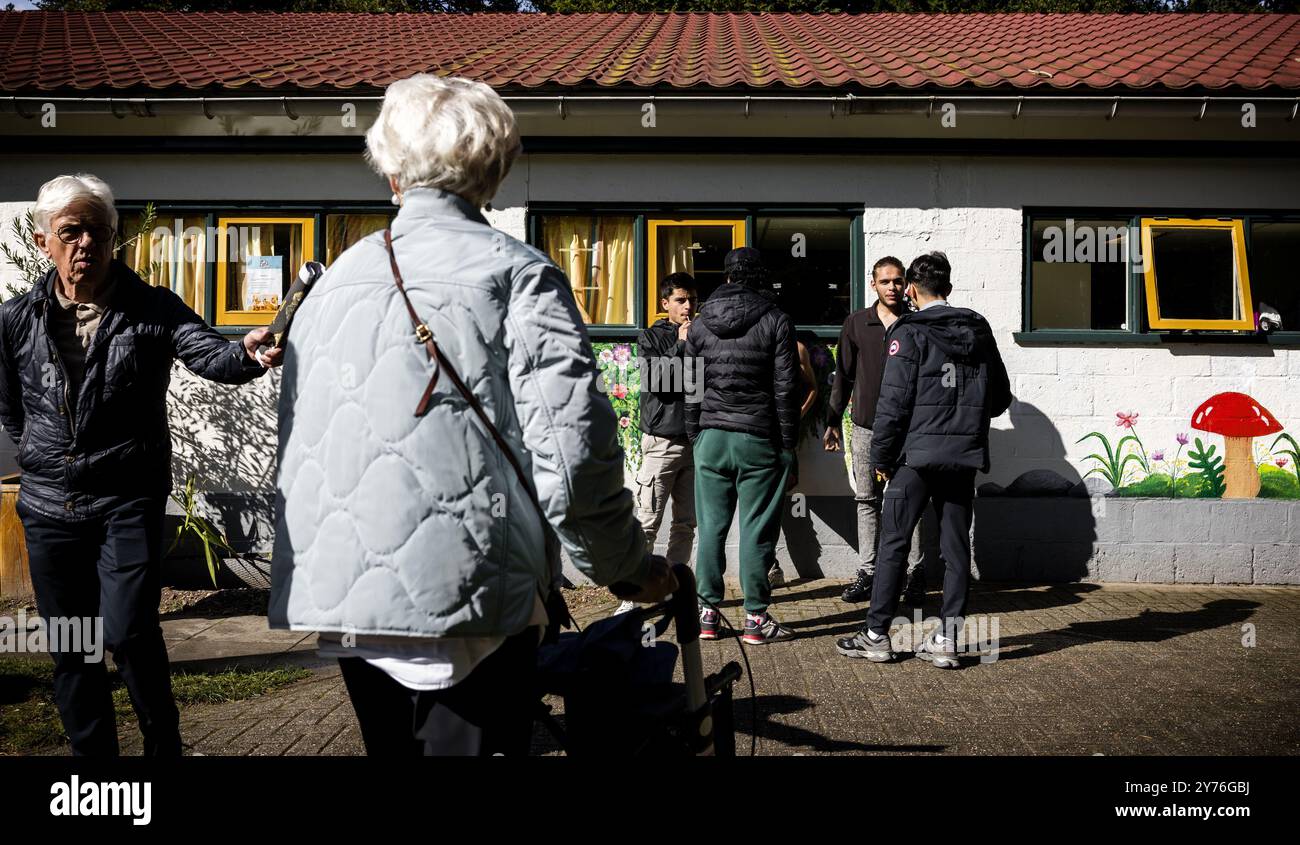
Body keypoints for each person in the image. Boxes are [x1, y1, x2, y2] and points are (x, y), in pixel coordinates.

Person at [270, 74, 676, 756]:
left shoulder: (333, 279)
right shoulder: (517, 273)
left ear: (390, 169)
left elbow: (302, 440)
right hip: (470, 598)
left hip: (346, 599)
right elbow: (572, 456)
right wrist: (625, 566)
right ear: (494, 169)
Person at [0, 173, 281, 756]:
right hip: (50, 507)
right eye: (70, 232)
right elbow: (11, 407)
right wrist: (42, 459)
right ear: (41, 242)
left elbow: (211, 353)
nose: (85, 245)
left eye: (97, 232)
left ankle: (163, 747)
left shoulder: (152, 308)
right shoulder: (14, 320)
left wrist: (249, 353)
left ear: (114, 238)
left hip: (127, 499)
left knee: (129, 631)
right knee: (73, 646)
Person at [836, 252, 1011, 669]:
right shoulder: (978, 329)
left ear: (912, 289)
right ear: (947, 288)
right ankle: (948, 640)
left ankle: (877, 635)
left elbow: (892, 403)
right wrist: (962, 412)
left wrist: (880, 456)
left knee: (894, 542)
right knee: (954, 548)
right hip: (962, 458)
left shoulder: (908, 331)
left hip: (914, 458)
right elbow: (1000, 398)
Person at [686, 246, 799, 645]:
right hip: (758, 438)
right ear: (758, 277)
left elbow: (691, 387)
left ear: (728, 276)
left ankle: (707, 615)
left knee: (711, 529)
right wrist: (787, 444)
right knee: (756, 531)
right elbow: (786, 389)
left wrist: (695, 436)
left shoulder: (699, 326)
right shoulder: (776, 320)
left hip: (711, 438)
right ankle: (755, 619)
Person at [824, 257, 930, 605]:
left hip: (908, 431)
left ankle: (914, 574)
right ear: (874, 284)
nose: (892, 287)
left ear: (906, 284)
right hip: (867, 428)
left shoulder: (917, 324)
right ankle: (868, 572)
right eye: (885, 281)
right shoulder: (857, 323)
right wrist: (832, 420)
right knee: (866, 501)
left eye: (898, 281)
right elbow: (844, 375)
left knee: (907, 503)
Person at [620, 272, 698, 615]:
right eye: (680, 300)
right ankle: (634, 595)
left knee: (686, 524)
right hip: (662, 443)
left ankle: (672, 589)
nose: (688, 306)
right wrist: (681, 344)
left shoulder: (703, 336)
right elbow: (659, 382)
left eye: (692, 300)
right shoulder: (651, 337)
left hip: (695, 441)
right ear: (665, 303)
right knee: (648, 522)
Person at [766, 328, 819, 590]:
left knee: (777, 503)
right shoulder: (750, 344)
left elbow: (811, 387)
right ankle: (767, 563)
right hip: (754, 434)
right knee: (759, 503)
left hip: (783, 437)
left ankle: (769, 563)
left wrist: (797, 414)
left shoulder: (796, 348)